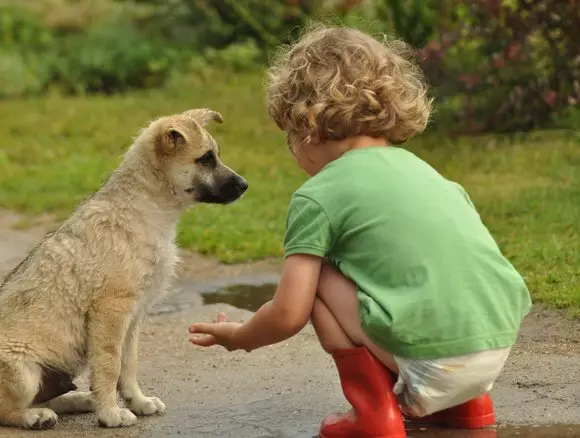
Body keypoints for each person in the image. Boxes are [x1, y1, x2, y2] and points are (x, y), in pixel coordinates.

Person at [188, 24, 532, 438]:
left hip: (429, 366)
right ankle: (466, 407)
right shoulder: (430, 176)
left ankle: (375, 413)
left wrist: (241, 336)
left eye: (288, 137)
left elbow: (289, 313)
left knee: (315, 277)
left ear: (306, 126)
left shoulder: (318, 196)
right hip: (493, 352)